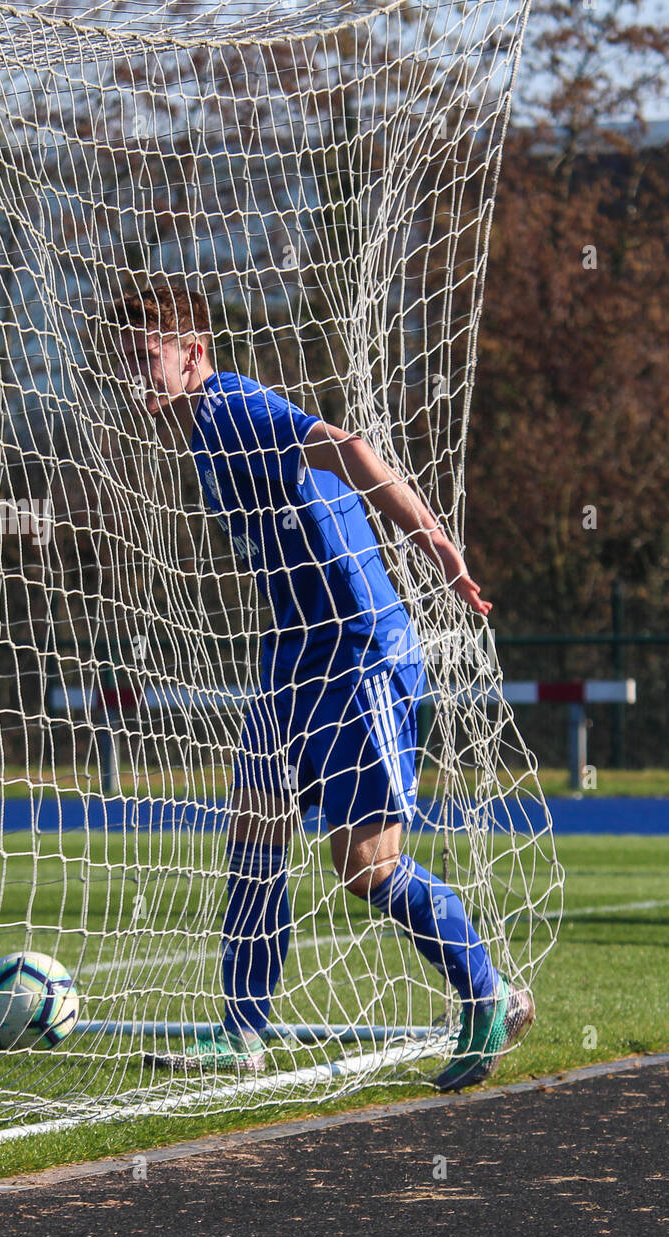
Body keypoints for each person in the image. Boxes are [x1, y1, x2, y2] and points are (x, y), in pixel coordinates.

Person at [114, 279, 534, 1091]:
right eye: (125, 362)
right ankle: (241, 1034)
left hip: (357, 652)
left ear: (193, 354)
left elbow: (346, 446)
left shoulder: (234, 408)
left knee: (366, 868)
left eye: (146, 359)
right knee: (255, 825)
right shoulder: (199, 433)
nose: (134, 377)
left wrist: (437, 549)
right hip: (292, 658)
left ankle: (487, 995)